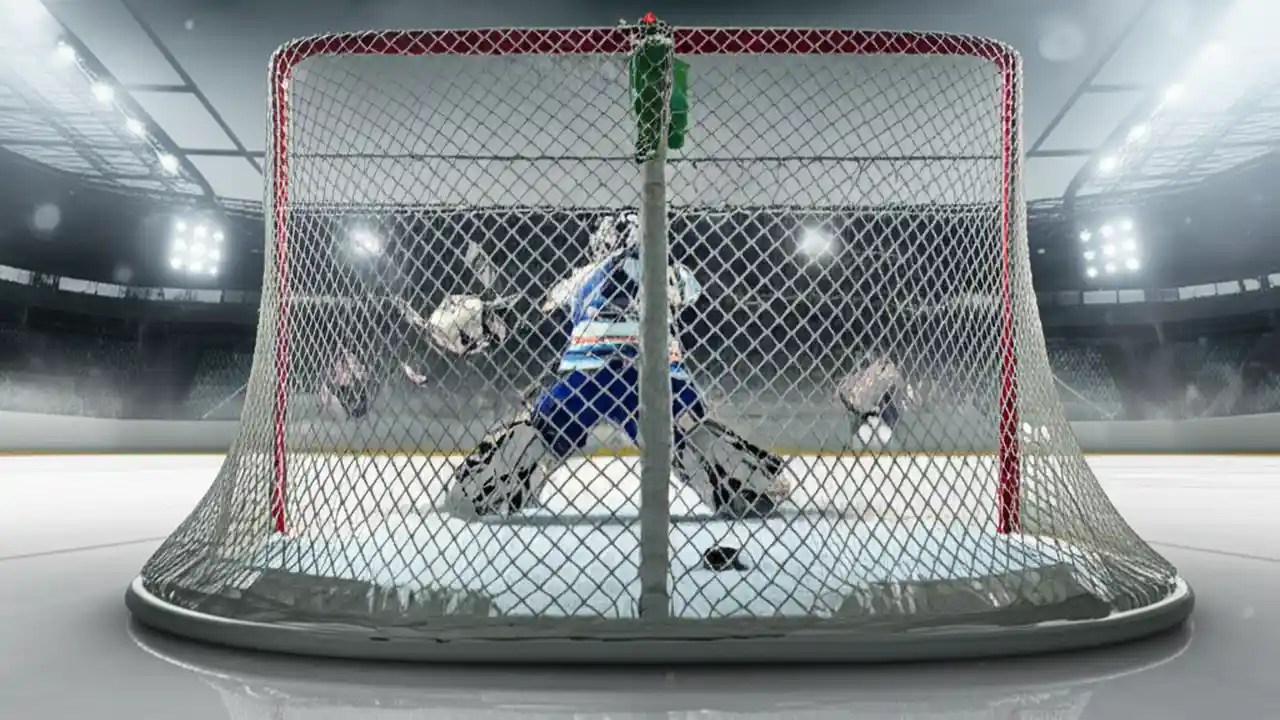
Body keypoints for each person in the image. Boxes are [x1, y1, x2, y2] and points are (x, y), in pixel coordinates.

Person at [396, 212, 790, 519]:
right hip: (656, 376)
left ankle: (482, 489)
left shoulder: (581, 275)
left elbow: (532, 311)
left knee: (542, 430)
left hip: (588, 373)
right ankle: (748, 486)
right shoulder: (666, 267)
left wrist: (488, 319)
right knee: (687, 436)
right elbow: (690, 290)